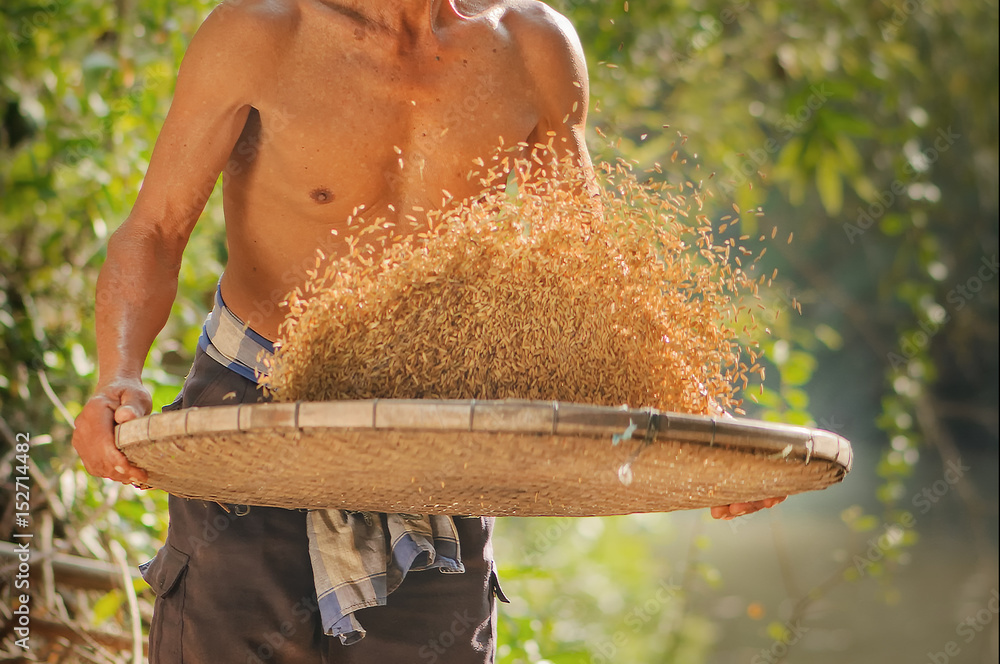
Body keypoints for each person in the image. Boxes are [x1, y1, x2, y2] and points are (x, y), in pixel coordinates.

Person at [71, 1, 783, 661]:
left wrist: (698, 414)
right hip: (252, 409)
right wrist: (118, 376)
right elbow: (156, 230)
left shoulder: (532, 43)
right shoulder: (262, 31)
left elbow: (591, 272)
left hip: (437, 431)